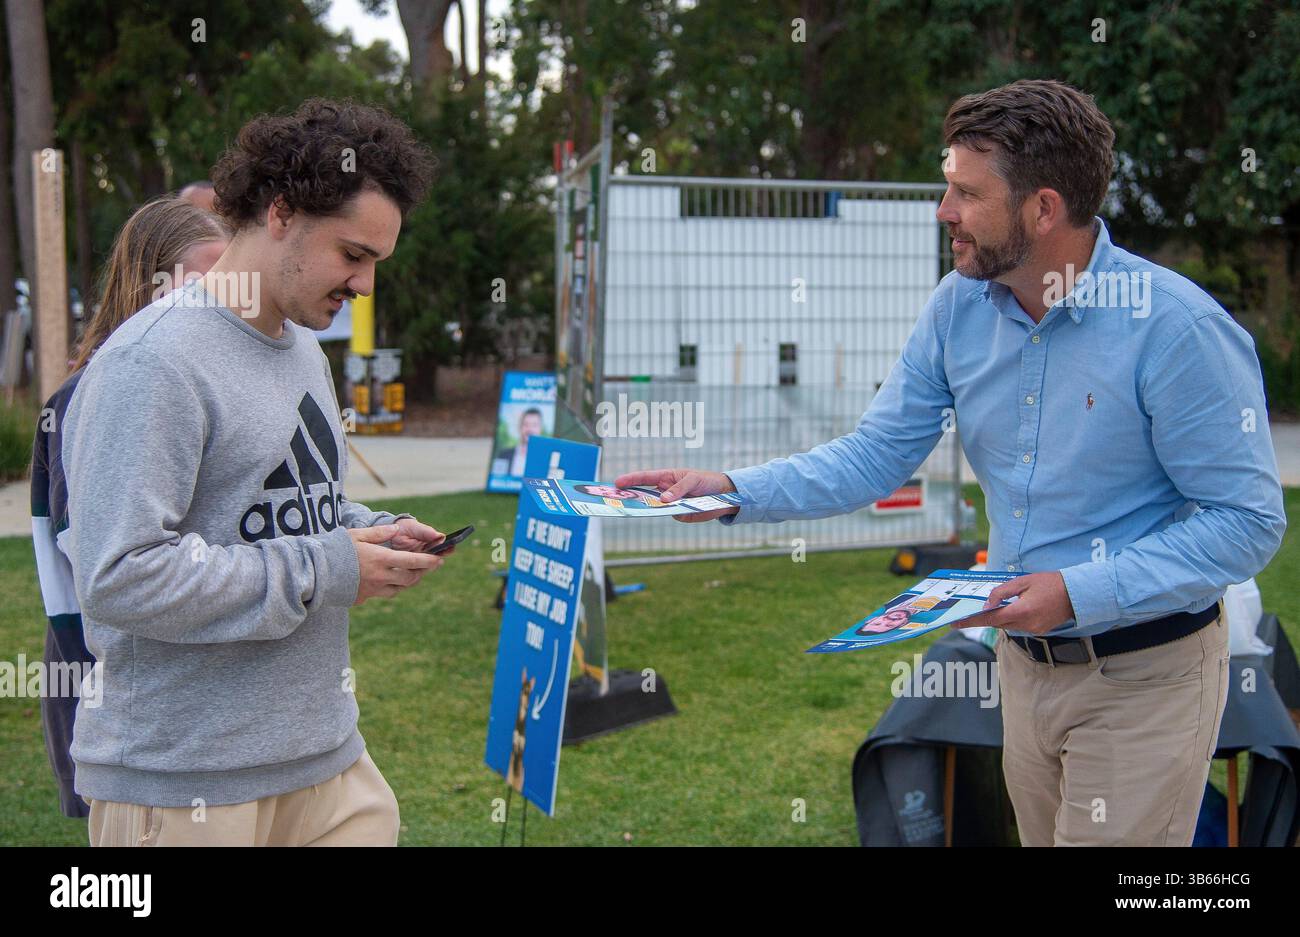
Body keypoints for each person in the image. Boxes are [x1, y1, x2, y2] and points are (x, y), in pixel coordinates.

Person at [615, 79, 1286, 846]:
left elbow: (1246, 522)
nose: (944, 211)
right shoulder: (957, 307)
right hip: (1022, 669)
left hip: (1145, 676)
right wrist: (731, 488)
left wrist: (1076, 591)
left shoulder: (1177, 329)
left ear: (1042, 208)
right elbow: (876, 453)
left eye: (967, 193)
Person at [61, 98, 454, 847]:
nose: (365, 284)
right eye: (353, 254)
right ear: (280, 213)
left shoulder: (303, 348)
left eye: (376, 261)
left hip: (329, 763)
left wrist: (371, 533)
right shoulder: (152, 363)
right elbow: (118, 575)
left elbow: (288, 506)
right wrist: (326, 567)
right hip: (186, 784)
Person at [30, 196, 229, 820]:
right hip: (122, 704)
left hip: (197, 707)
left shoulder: (204, 382)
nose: (215, 304)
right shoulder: (89, 397)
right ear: (148, 285)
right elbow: (101, 575)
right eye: (197, 287)